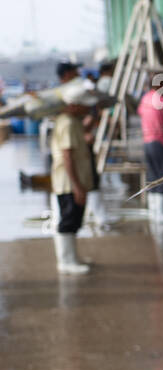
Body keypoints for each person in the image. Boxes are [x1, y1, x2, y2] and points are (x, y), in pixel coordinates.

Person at [49, 79, 96, 274]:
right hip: (68, 181)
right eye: (84, 104)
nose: (87, 107)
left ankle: (72, 257)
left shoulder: (72, 122)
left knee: (75, 219)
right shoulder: (67, 123)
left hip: (74, 180)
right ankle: (66, 261)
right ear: (74, 105)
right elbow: (67, 155)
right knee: (68, 219)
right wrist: (77, 185)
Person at [138, 78, 163, 230]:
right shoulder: (161, 100)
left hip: (147, 142)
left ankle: (155, 213)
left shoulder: (146, 98)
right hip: (160, 142)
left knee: (153, 176)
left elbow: (141, 112)